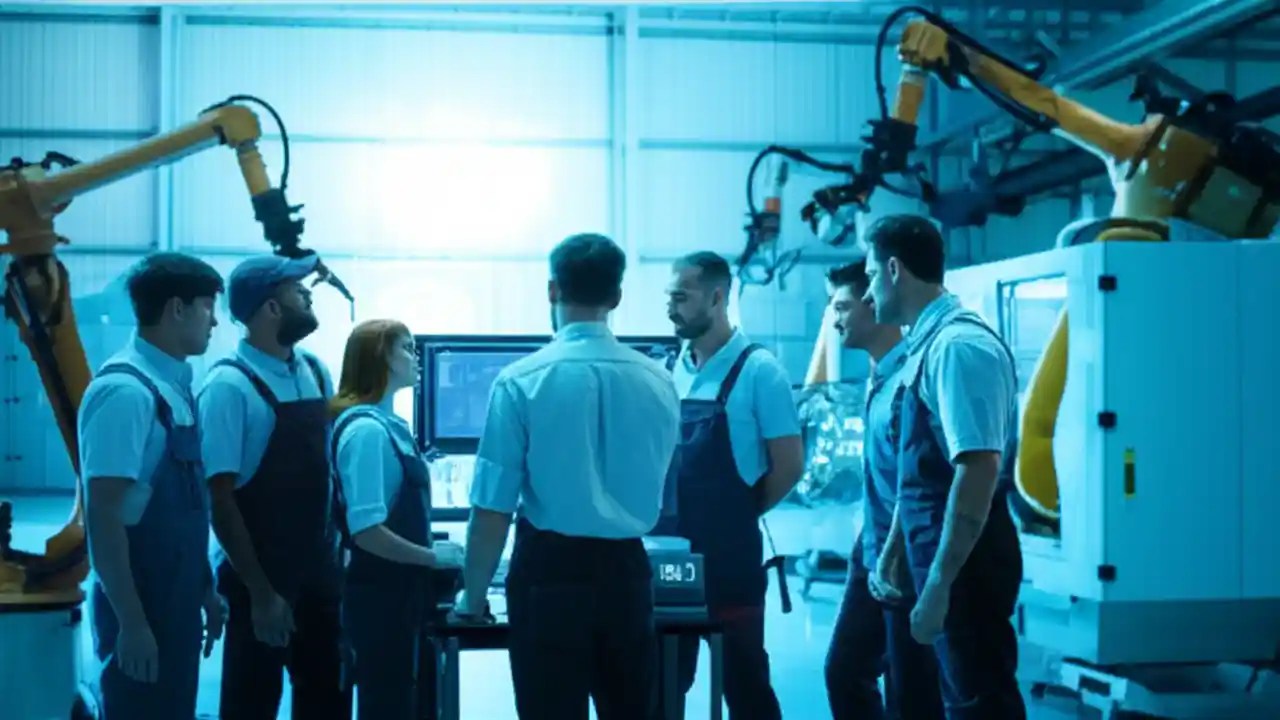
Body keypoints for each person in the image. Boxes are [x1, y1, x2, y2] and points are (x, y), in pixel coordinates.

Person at [453, 233, 681, 720]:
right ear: (616, 297)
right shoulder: (659, 380)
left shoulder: (521, 380)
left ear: (552, 290)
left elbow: (492, 508)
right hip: (627, 575)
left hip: (548, 576)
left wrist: (472, 599)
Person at [861, 214, 1026, 720]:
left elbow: (977, 470)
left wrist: (938, 587)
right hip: (930, 555)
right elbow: (917, 471)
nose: (867, 294)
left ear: (894, 269)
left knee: (978, 704)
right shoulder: (924, 345)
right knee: (943, 700)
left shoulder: (959, 348)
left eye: (870, 275)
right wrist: (894, 549)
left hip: (965, 566)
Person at [197, 254, 351, 719]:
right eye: (296, 288)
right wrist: (262, 594)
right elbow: (219, 499)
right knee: (252, 704)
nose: (308, 293)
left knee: (328, 699)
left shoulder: (315, 370)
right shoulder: (228, 387)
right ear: (271, 308)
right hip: (258, 581)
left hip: (320, 574)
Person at [658, 251, 805, 720]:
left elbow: (789, 465)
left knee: (744, 685)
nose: (670, 306)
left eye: (681, 296)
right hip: (671, 558)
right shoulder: (669, 370)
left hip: (731, 561)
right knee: (664, 682)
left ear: (718, 297)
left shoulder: (760, 371)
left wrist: (741, 513)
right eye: (669, 296)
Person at [80, 252, 226, 719]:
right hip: (142, 605)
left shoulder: (175, 387)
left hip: (178, 601)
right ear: (176, 309)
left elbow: (188, 506)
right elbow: (103, 517)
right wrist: (132, 623)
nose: (215, 321)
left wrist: (204, 586)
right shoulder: (125, 393)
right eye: (207, 307)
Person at [822, 260, 943, 720]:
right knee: (844, 670)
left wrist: (893, 553)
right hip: (869, 548)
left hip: (902, 552)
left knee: (911, 693)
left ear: (872, 305)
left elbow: (915, 482)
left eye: (842, 307)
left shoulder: (909, 381)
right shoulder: (879, 377)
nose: (836, 320)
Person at [329, 319, 465, 720]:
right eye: (406, 348)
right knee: (387, 707)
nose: (416, 356)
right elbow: (367, 532)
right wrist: (433, 557)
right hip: (379, 600)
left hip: (404, 596)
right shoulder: (366, 432)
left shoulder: (395, 428)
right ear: (380, 357)